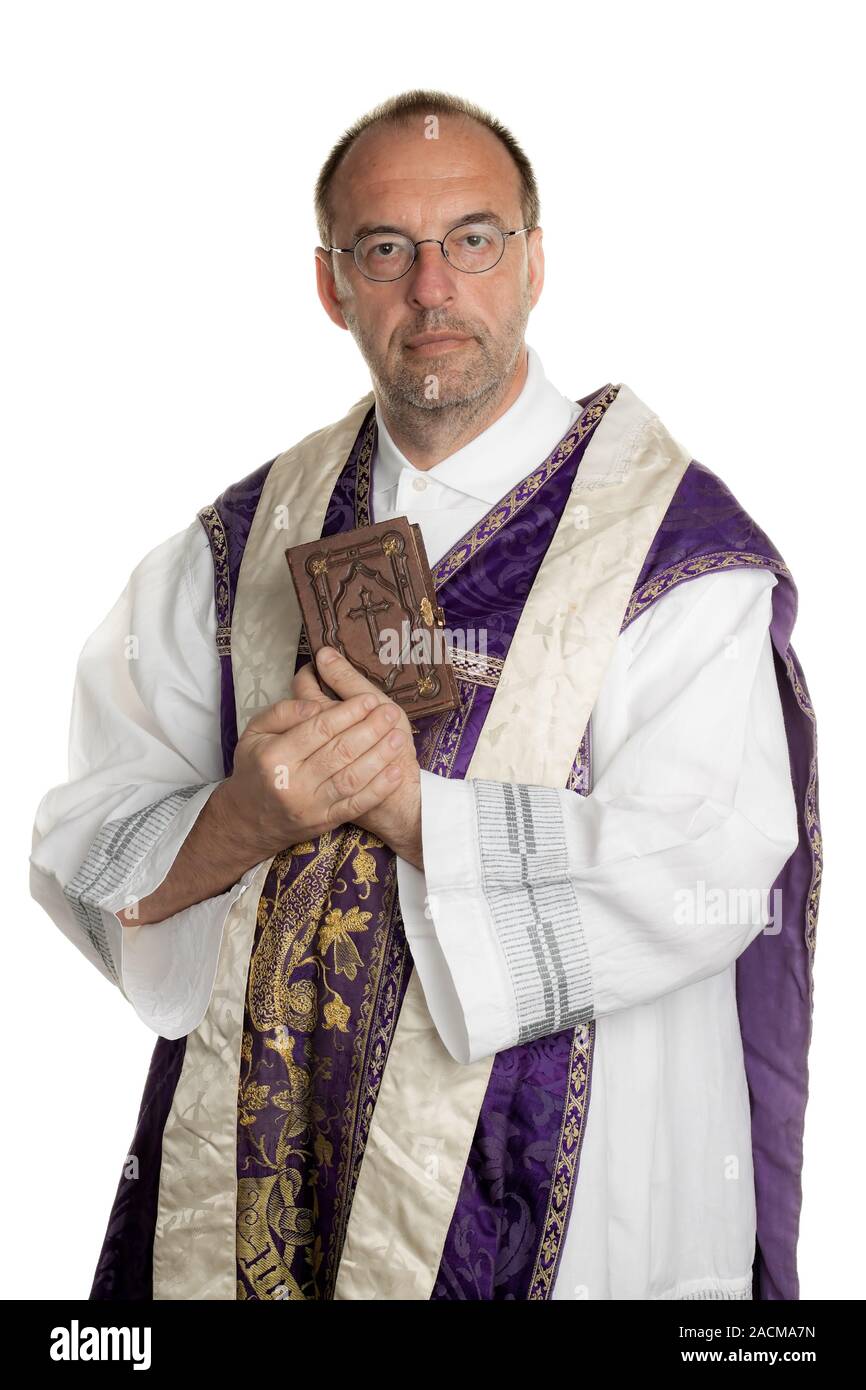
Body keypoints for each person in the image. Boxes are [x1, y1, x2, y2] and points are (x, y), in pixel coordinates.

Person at [29, 89, 820, 1302]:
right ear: (331, 284)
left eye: (473, 238)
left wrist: (419, 818)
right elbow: (82, 831)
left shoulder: (669, 552)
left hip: (572, 1193)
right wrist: (237, 821)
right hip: (261, 1173)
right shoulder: (237, 546)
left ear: (533, 261)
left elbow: (712, 861)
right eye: (384, 250)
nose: (432, 288)